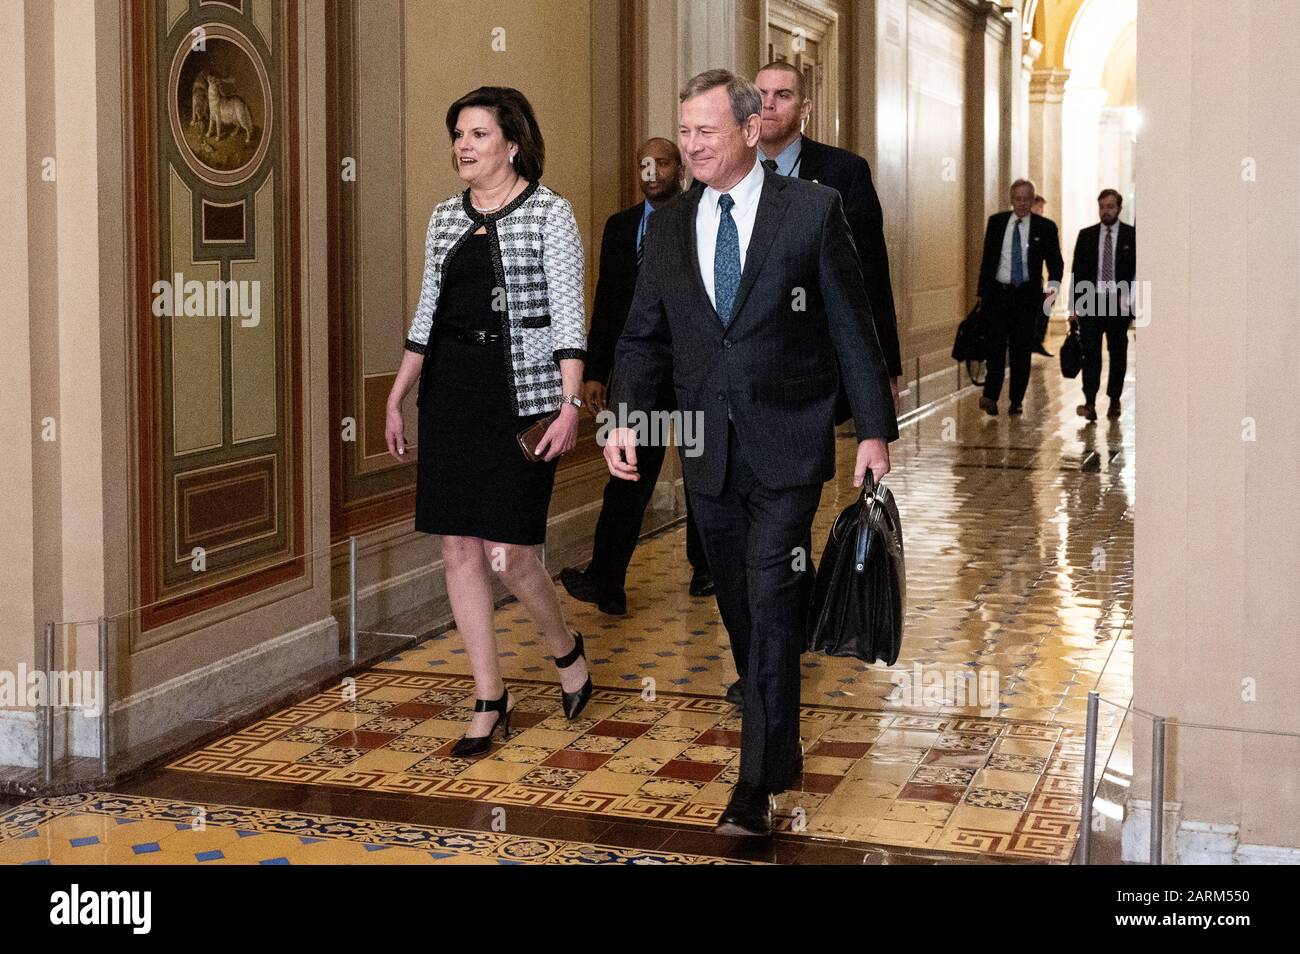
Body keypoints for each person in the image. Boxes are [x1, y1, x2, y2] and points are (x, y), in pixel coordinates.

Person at [604, 69, 896, 837]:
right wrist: (625, 420)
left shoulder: (812, 210)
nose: (691, 145)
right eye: (685, 130)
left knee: (771, 603)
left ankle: (751, 788)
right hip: (706, 448)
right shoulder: (668, 226)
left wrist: (872, 431)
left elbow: (850, 326)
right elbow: (641, 335)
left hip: (789, 446)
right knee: (738, 604)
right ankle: (782, 736)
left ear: (748, 130)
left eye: (705, 131)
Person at [384, 86, 592, 758]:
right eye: (458, 135)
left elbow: (568, 317)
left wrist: (570, 405)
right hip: (451, 394)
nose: (462, 147)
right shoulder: (445, 218)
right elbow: (427, 312)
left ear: (511, 142)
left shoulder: (550, 214)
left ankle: (565, 650)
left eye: (476, 134)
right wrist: (397, 394)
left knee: (511, 556)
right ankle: (488, 695)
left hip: (522, 401)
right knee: (458, 550)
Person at [560, 138, 713, 616]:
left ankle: (706, 567)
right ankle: (606, 579)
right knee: (625, 473)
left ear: (680, 168)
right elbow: (607, 303)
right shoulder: (620, 227)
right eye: (643, 163)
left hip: (692, 371)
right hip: (635, 373)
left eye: (662, 162)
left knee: (701, 470)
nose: (651, 171)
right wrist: (595, 369)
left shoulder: (701, 219)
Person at [754, 60, 902, 412]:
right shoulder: (722, 169)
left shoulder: (845, 172)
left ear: (805, 108)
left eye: (782, 95)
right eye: (760, 94)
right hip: (743, 371)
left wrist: (886, 369)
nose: (768, 104)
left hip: (815, 369)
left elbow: (871, 275)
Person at [975, 178, 1064, 416]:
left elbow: (1056, 263)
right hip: (997, 295)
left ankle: (1016, 400)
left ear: (1033, 200)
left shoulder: (1045, 227)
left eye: (1027, 199)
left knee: (1020, 351)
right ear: (1011, 199)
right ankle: (991, 396)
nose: (1022, 204)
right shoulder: (996, 223)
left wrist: (1052, 291)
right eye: (1018, 199)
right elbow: (987, 261)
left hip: (1026, 297)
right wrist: (981, 294)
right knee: (995, 348)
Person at [1070, 188, 1136, 420]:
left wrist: (1134, 307)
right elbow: (1076, 272)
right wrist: (1074, 307)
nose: (1105, 211)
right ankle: (1089, 401)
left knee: (1118, 353)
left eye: (1110, 207)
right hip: (1091, 301)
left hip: (1118, 304)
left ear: (1119, 208)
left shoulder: (1132, 236)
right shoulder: (1086, 235)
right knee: (1090, 354)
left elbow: (1138, 273)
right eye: (1102, 207)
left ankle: (1114, 399)